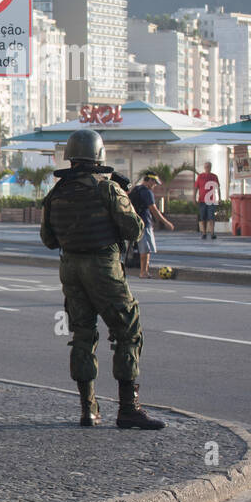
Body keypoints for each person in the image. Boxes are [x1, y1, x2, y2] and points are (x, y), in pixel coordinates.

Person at [40, 128, 163, 430]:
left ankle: (88, 410)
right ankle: (128, 408)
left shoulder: (56, 193)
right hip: (104, 268)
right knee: (128, 329)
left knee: (82, 334)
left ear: (70, 157)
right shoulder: (107, 189)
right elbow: (134, 230)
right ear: (98, 155)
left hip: (70, 269)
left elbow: (48, 239)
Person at [131, 173, 175, 279]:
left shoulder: (136, 189)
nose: (155, 185)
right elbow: (153, 209)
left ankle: (144, 271)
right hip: (144, 223)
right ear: (150, 180)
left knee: (144, 249)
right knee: (145, 249)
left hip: (135, 222)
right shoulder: (147, 192)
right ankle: (143, 272)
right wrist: (166, 222)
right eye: (154, 182)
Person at [194, 161, 221, 240]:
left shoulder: (214, 176)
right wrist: (194, 197)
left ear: (210, 167)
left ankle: (212, 233)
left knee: (211, 216)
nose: (207, 168)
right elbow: (196, 187)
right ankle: (204, 233)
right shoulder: (200, 176)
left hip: (211, 200)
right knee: (203, 217)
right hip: (202, 200)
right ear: (204, 167)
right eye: (206, 167)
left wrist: (219, 198)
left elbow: (218, 188)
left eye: (208, 166)